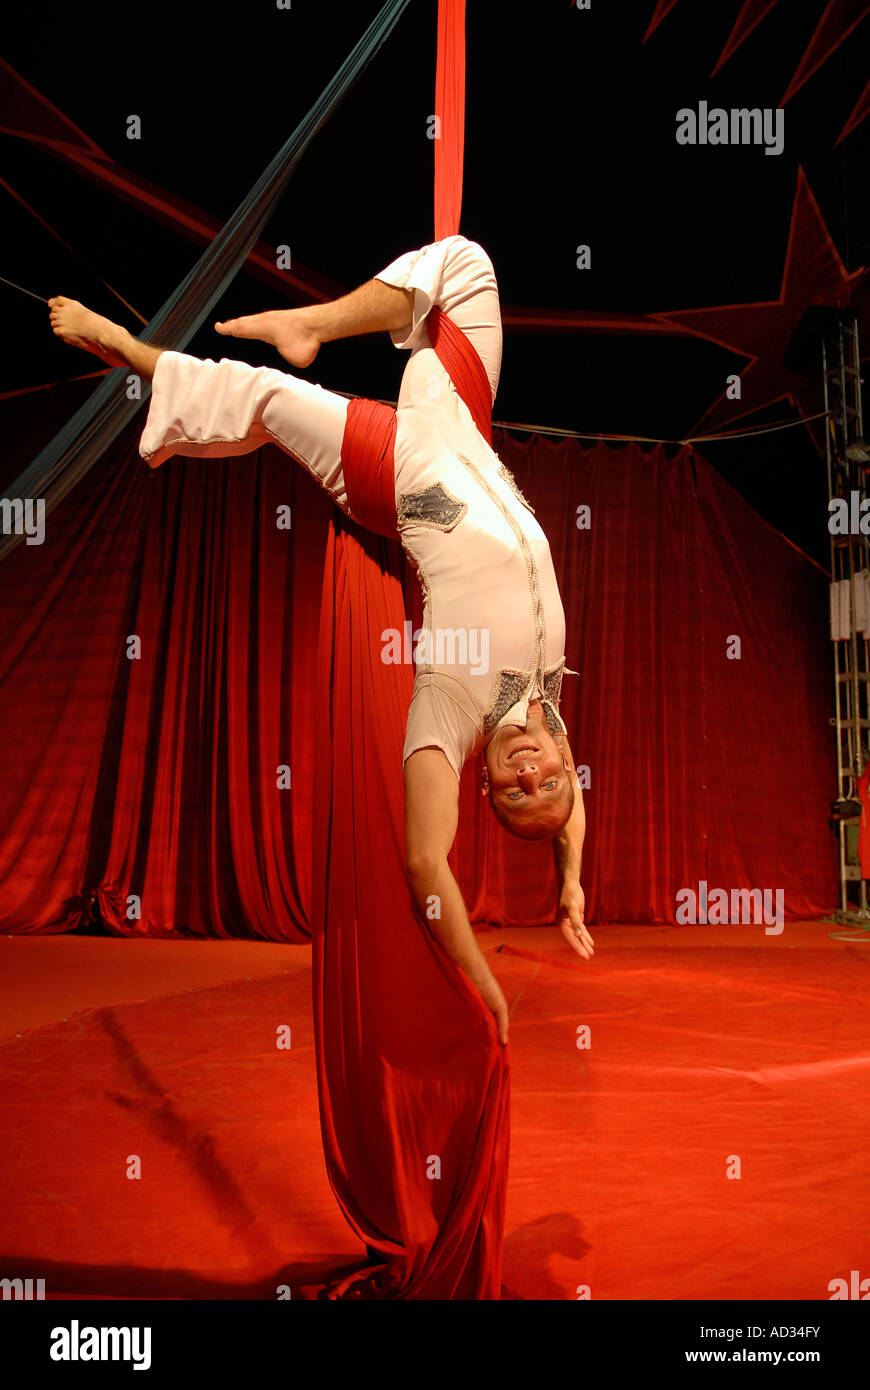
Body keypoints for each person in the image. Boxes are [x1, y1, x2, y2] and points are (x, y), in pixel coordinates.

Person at [48, 235, 594, 1044]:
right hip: (465, 430)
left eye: (515, 795)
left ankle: (131, 349)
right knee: (470, 262)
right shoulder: (548, 696)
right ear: (562, 762)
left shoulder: (453, 705)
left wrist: (482, 978)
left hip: (396, 468)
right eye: (547, 782)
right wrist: (571, 881)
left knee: (265, 395)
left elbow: (423, 864)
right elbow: (572, 809)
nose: (529, 778)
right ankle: (316, 323)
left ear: (487, 791)